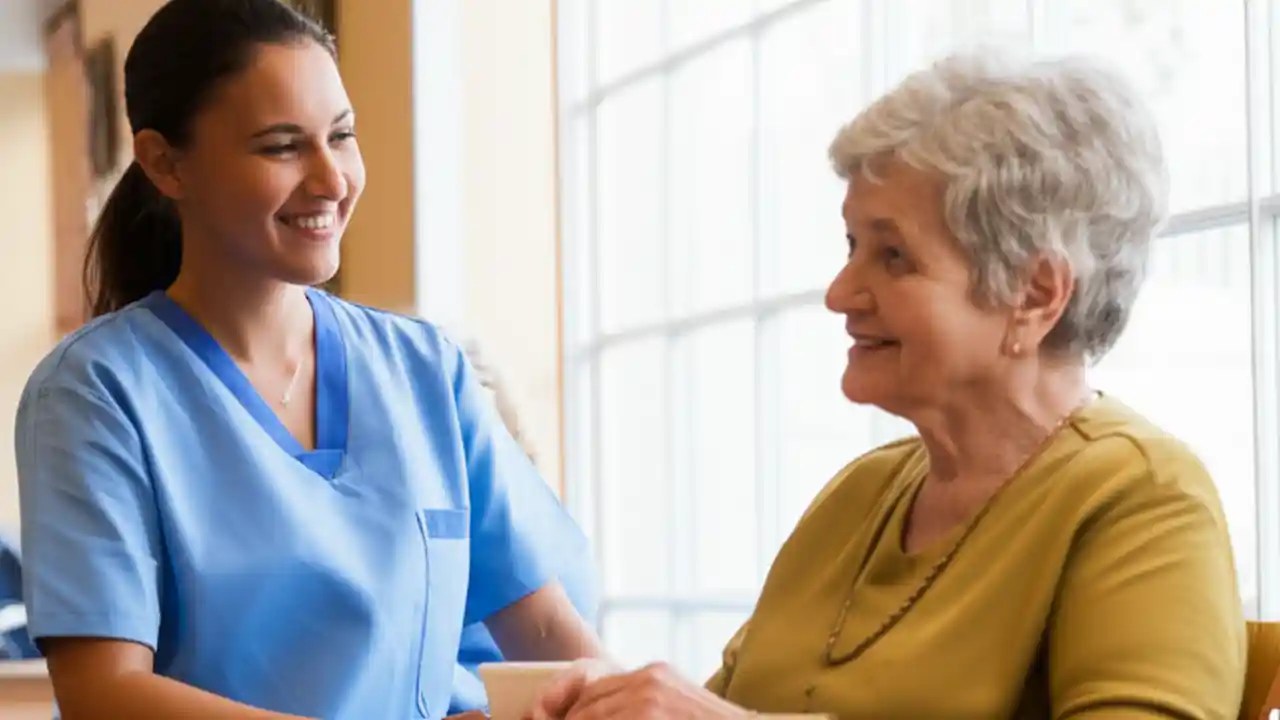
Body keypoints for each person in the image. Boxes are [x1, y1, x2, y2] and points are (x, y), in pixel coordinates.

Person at [533, 53, 1246, 719]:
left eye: (894, 256)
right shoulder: (857, 497)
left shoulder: (1142, 498)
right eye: (852, 247)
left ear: (1035, 293)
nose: (841, 293)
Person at [14, 1, 601, 718]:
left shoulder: (425, 372)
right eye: (282, 146)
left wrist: (631, 701)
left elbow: (546, 634)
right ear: (166, 163)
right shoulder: (96, 393)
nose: (332, 179)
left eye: (342, 136)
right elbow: (104, 692)